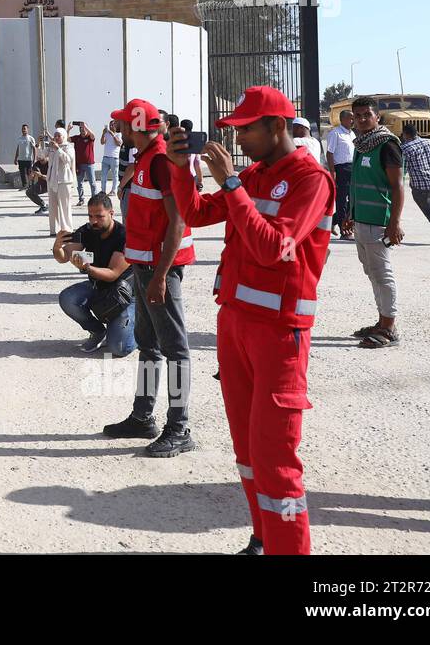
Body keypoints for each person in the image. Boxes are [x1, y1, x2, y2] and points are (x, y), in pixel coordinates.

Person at [164, 86, 334, 555]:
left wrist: (234, 185)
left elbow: (271, 247)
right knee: (248, 452)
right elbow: (197, 213)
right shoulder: (255, 175)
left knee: (276, 457)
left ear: (277, 126)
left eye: (245, 129)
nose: (237, 139)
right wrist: (182, 172)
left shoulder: (311, 180)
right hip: (235, 324)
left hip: (280, 333)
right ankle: (263, 537)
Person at [101, 98, 197, 459]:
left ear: (136, 126)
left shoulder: (160, 161)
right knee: (149, 345)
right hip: (144, 268)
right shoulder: (144, 158)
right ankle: (143, 417)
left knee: (174, 347)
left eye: (124, 124)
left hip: (161, 270)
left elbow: (177, 222)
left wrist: (159, 276)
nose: (120, 129)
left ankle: (179, 426)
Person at [342, 96, 405, 349]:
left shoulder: (387, 144)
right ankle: (381, 321)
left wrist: (395, 223)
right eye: (358, 116)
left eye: (367, 114)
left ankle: (389, 327)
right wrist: (350, 213)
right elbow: (357, 182)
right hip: (361, 220)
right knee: (372, 273)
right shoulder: (362, 145)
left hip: (380, 222)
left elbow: (397, 186)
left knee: (382, 273)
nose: (362, 119)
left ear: (377, 116)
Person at [54, 193, 137, 356]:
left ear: (111, 213)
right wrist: (57, 247)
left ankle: (143, 330)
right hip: (99, 287)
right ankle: (98, 332)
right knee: (68, 298)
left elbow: (113, 274)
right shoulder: (88, 230)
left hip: (125, 295)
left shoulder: (125, 236)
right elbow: (64, 256)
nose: (94, 221)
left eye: (99, 216)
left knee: (119, 349)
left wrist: (87, 269)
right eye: (90, 216)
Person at [324, 110, 355, 238]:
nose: (352, 121)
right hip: (341, 169)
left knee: (353, 200)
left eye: (353, 118)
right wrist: (333, 171)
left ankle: (333, 221)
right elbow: (329, 153)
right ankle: (344, 230)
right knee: (342, 200)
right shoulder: (335, 133)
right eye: (350, 118)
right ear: (342, 119)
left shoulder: (352, 134)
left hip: (352, 168)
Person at [47, 126, 75, 236]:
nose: (57, 138)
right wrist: (39, 146)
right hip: (52, 180)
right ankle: (54, 230)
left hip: (64, 180)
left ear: (64, 136)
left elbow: (68, 160)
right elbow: (41, 157)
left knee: (65, 206)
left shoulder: (69, 147)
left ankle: (66, 229)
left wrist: (58, 149)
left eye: (59, 136)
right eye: (55, 136)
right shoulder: (52, 147)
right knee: (52, 206)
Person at [70, 121, 97, 206]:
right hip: (79, 164)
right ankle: (81, 199)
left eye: (84, 128)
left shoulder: (90, 137)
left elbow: (93, 135)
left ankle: (94, 200)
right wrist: (68, 129)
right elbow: (66, 139)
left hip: (89, 164)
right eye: (81, 129)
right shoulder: (77, 138)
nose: (83, 130)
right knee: (79, 183)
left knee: (92, 183)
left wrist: (86, 126)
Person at [181, 119, 205, 191]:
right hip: (192, 176)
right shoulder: (195, 142)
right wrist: (200, 181)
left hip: (179, 176)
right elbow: (197, 163)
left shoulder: (176, 141)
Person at [100, 122, 122, 194]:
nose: (111, 126)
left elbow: (119, 143)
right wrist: (103, 133)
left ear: (116, 125)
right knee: (103, 176)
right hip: (105, 157)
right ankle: (103, 191)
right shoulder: (106, 134)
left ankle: (113, 191)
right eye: (110, 125)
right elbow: (102, 142)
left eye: (113, 125)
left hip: (114, 158)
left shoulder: (119, 134)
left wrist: (113, 135)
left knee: (115, 176)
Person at [14, 124, 37, 193]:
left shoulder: (30, 138)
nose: (23, 130)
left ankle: (30, 186)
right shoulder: (19, 138)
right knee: (22, 173)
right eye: (22, 128)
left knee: (29, 173)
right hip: (21, 159)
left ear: (27, 129)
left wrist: (34, 159)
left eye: (25, 128)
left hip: (28, 159)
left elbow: (34, 149)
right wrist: (15, 158)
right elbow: (18, 149)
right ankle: (24, 185)